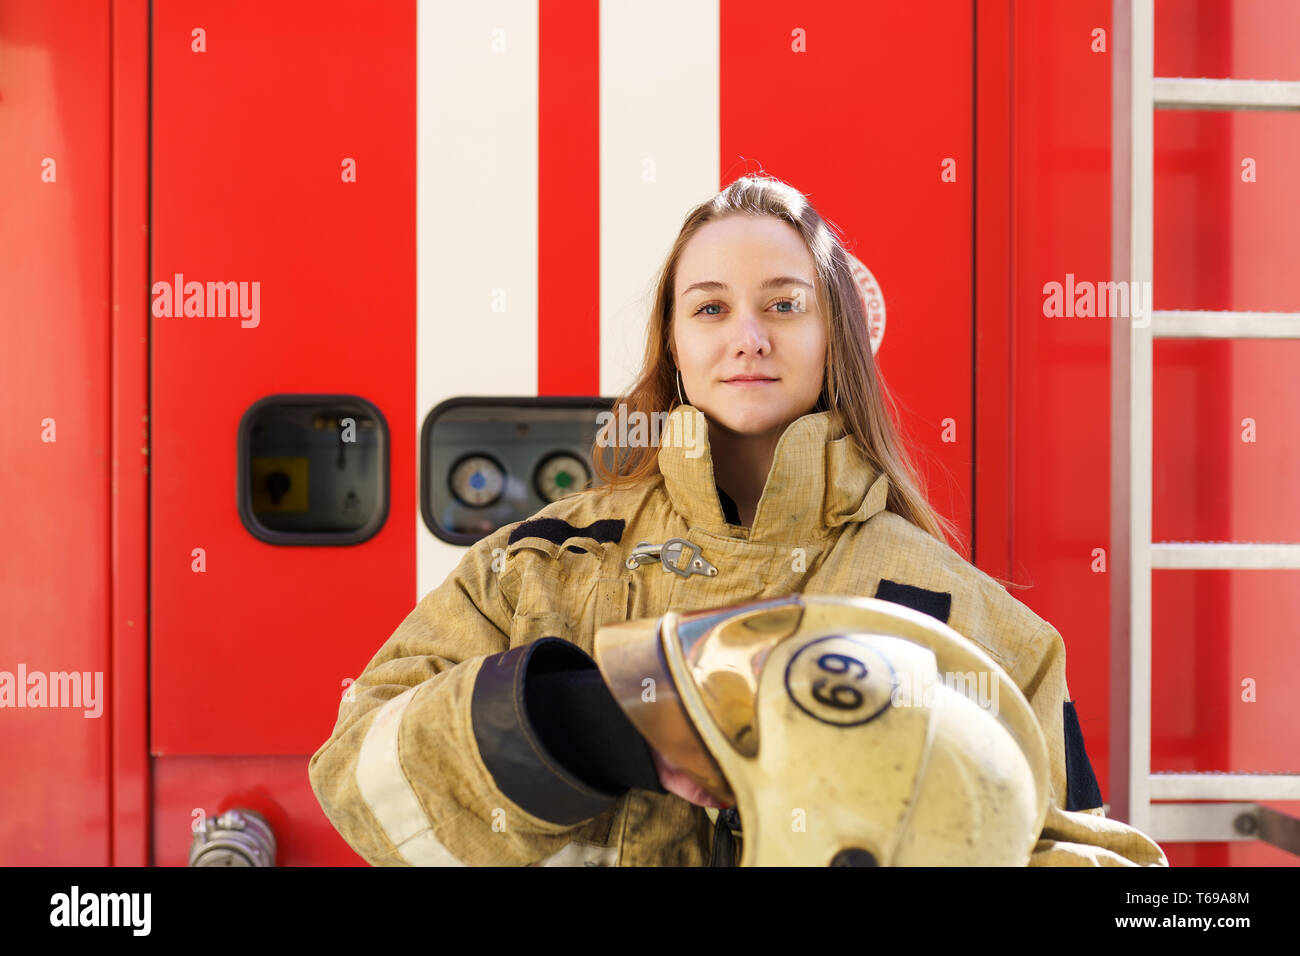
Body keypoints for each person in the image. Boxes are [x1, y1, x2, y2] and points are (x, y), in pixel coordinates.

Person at [308, 174, 1168, 867]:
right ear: (675, 348)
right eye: (711, 308)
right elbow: (354, 775)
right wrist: (587, 724)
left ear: (836, 339)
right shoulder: (539, 568)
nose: (747, 336)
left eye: (785, 305)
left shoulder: (971, 622)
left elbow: (1093, 860)